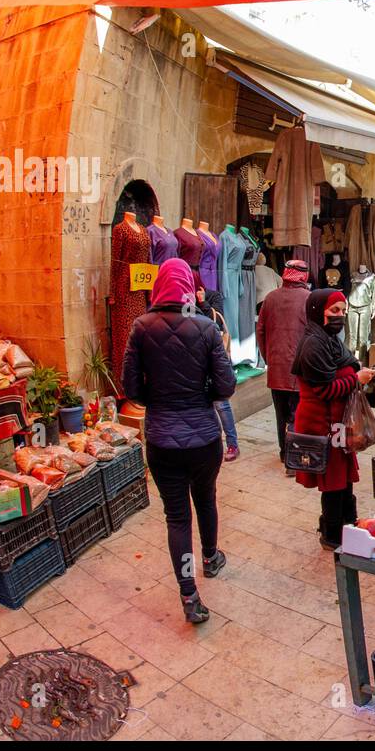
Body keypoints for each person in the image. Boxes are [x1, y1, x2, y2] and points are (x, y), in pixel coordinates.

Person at [123, 258, 236, 624]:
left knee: (176, 517)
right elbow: (226, 387)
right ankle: (211, 557)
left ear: (159, 287)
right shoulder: (205, 328)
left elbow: (132, 390)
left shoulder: (140, 327)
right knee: (206, 499)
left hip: (161, 442)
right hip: (204, 439)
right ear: (188, 286)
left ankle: (189, 595)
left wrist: (160, 396)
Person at [292, 289, 375, 548]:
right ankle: (332, 534)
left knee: (343, 474)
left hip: (337, 421)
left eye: (343, 310)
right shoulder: (313, 345)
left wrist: (355, 370)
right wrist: (356, 378)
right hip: (321, 422)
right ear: (318, 312)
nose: (340, 316)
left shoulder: (329, 338)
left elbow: (347, 361)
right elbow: (325, 389)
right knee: (332, 479)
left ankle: (348, 523)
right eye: (334, 311)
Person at [257, 259, 310, 473]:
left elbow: (260, 331)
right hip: (301, 367)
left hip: (277, 366)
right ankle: (294, 458)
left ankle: (283, 452)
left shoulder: (270, 298)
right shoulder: (309, 299)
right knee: (297, 413)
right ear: (304, 276)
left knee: (281, 413)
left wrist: (269, 357)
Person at [196, 288, 241, 462]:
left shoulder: (212, 295)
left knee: (222, 405)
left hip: (215, 360)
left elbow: (216, 323)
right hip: (197, 361)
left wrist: (202, 303)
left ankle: (232, 444)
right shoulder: (182, 298)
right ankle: (210, 444)